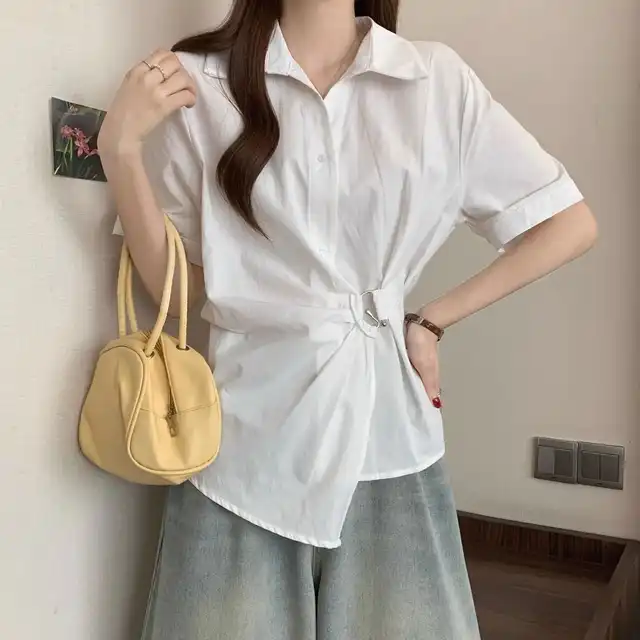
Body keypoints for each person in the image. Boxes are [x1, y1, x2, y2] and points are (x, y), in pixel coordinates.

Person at [98, 1, 598, 638]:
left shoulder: (435, 81)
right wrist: (120, 151)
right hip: (243, 444)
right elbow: (181, 290)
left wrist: (431, 320)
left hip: (388, 438)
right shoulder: (199, 82)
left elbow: (566, 223)